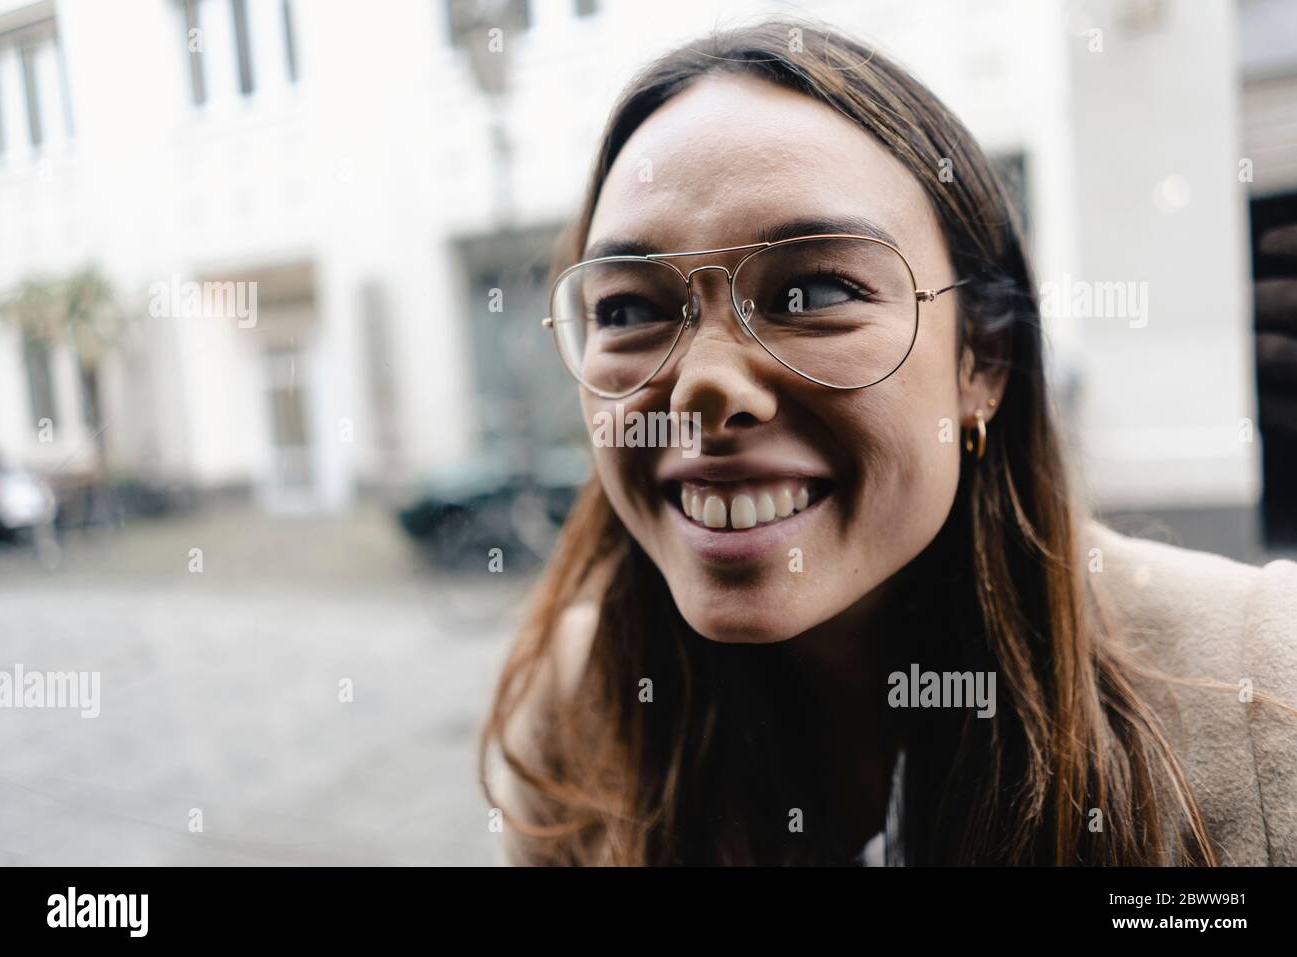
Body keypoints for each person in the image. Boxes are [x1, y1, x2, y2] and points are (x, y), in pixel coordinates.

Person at [478, 19, 1297, 866]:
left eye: (814, 290)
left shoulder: (1264, 697)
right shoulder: (573, 709)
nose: (704, 388)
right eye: (627, 309)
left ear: (981, 359)